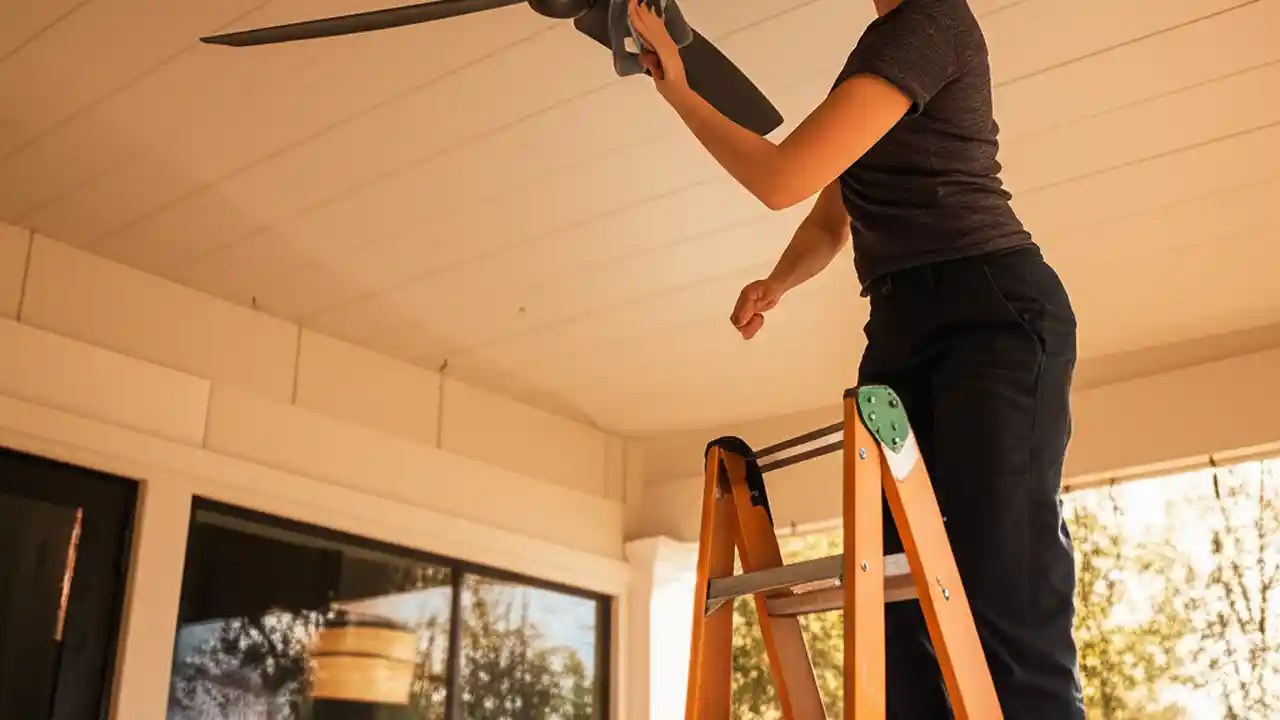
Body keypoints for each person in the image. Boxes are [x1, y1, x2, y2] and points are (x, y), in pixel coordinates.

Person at [627, 0, 1084, 717]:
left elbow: (782, 180)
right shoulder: (880, 54)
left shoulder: (928, 24)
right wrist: (777, 282)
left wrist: (679, 90)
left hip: (990, 311)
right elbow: (829, 216)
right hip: (901, 323)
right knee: (896, 601)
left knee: (1004, 579)